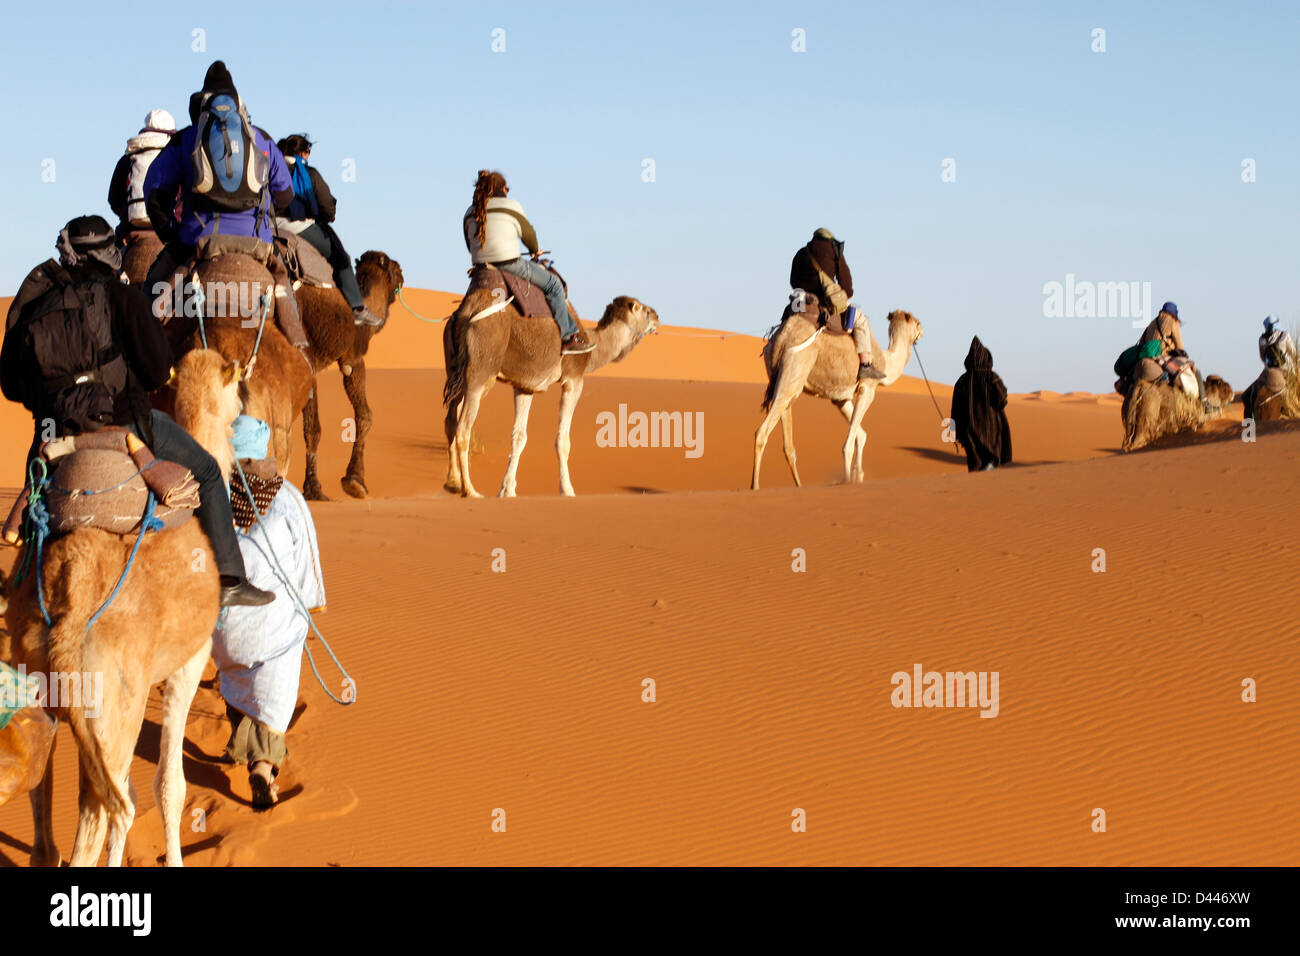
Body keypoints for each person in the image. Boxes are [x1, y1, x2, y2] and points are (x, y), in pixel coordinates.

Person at [1, 215, 274, 608]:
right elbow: (159, 371)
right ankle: (229, 577)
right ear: (108, 252)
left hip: (54, 433)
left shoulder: (39, 304)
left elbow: (11, 385)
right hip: (128, 424)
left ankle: (19, 585)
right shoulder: (121, 297)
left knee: (33, 510)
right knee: (210, 473)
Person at [141, 60, 310, 349]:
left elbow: (154, 191)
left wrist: (171, 233)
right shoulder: (261, 139)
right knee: (285, 286)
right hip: (257, 244)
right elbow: (286, 195)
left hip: (197, 242)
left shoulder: (185, 138)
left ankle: (139, 359)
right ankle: (299, 351)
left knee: (149, 299)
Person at [211, 415, 326, 807]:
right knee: (275, 691)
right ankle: (261, 766)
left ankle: (240, 741)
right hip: (272, 626)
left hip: (226, 629)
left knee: (235, 680)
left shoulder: (210, 499)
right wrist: (312, 604)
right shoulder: (287, 496)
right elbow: (307, 556)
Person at [463, 170, 595, 354]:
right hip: (509, 264)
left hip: (481, 268)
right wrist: (534, 251)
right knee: (554, 285)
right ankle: (568, 338)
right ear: (503, 189)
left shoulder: (471, 211)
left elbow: (470, 245)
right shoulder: (511, 205)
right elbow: (529, 234)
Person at [274, 134, 381, 326]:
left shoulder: (270, 169)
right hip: (300, 226)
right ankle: (357, 307)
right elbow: (326, 206)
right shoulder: (309, 173)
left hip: (269, 227)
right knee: (341, 258)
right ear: (302, 152)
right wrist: (327, 216)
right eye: (307, 152)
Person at [789, 228, 885, 380]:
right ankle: (865, 365)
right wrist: (847, 293)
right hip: (825, 302)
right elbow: (844, 279)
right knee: (860, 320)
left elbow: (793, 281)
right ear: (829, 239)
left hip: (802, 302)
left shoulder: (801, 253)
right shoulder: (834, 250)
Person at [107, 109, 176, 240]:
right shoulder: (177, 156)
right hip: (169, 226)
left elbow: (113, 199)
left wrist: (127, 213)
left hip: (132, 225)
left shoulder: (128, 158)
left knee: (115, 257)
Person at [950, 335, 1012, 472]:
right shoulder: (991, 377)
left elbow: (956, 409)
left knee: (975, 468)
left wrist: (955, 432)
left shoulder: (962, 381)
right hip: (992, 430)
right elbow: (1001, 401)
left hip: (969, 431)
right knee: (990, 465)